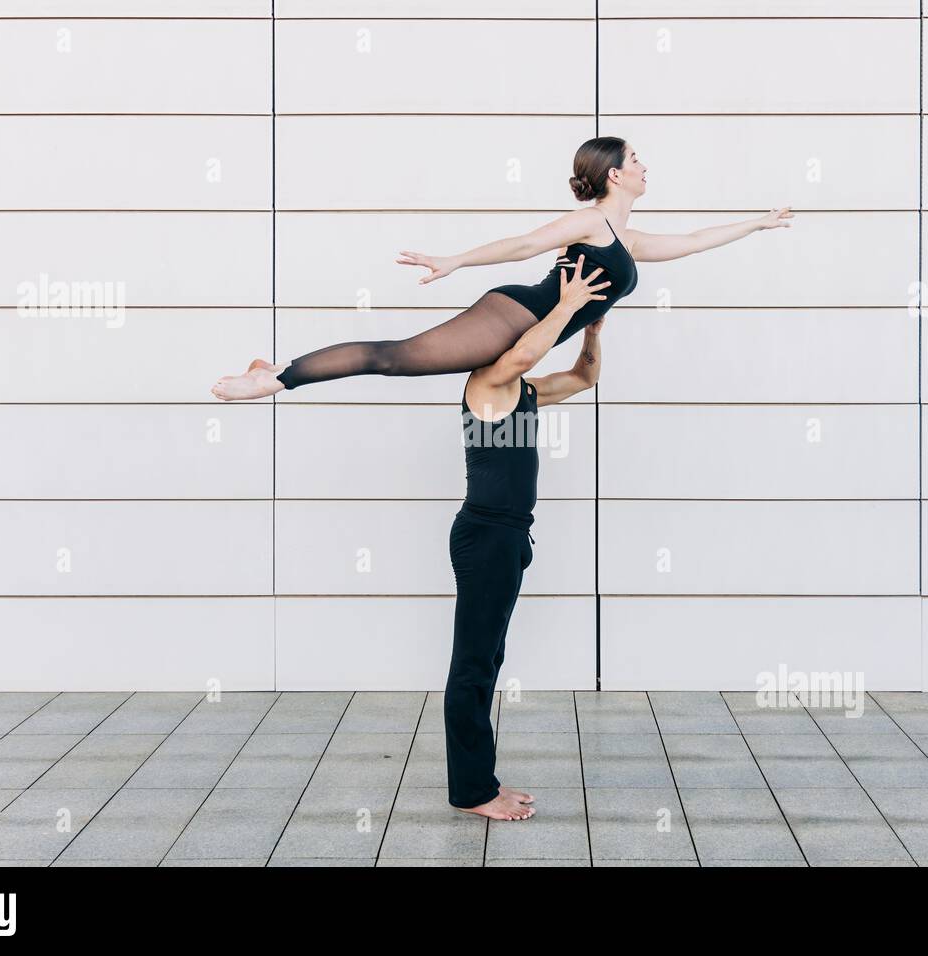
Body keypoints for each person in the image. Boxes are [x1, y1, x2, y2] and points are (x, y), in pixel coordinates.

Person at [210, 136, 792, 401]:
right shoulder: (588, 221)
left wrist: (756, 224)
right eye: (636, 159)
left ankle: (275, 368)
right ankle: (276, 376)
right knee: (396, 358)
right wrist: (454, 260)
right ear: (614, 174)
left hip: (533, 329)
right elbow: (522, 246)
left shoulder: (626, 237)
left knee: (400, 360)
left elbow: (691, 241)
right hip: (515, 314)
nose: (645, 165)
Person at [445, 253, 609, 821]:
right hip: (485, 535)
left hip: (511, 538)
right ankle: (473, 794)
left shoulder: (526, 391)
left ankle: (480, 781)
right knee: (472, 665)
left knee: (486, 660)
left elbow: (585, 377)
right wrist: (566, 303)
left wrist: (591, 330)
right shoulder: (486, 382)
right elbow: (524, 351)